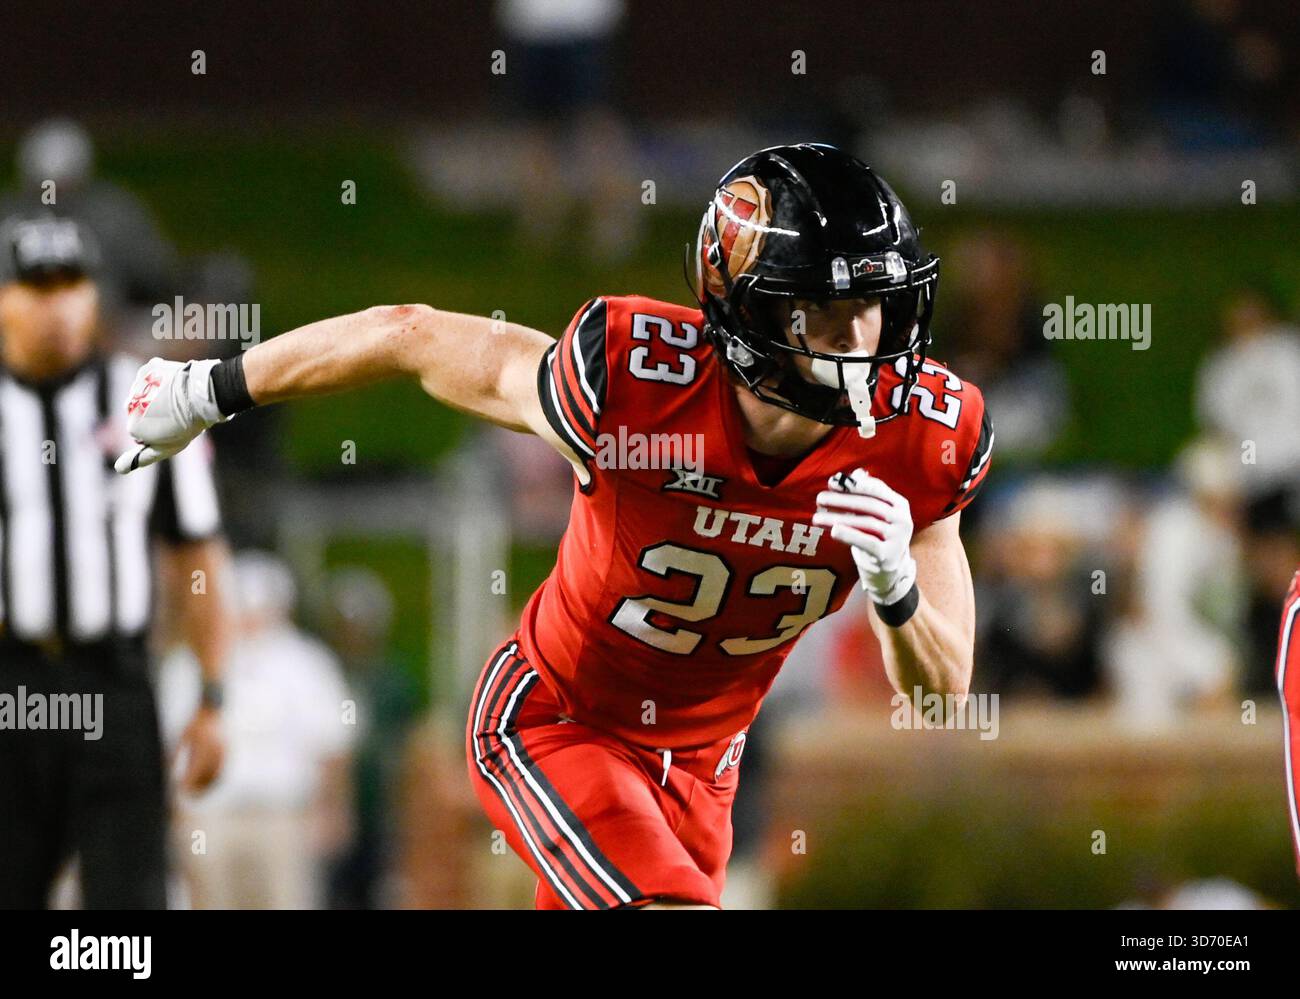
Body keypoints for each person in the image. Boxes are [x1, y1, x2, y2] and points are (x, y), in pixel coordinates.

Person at [114, 144, 993, 909]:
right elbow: (410, 335)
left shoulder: (922, 441)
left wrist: (898, 592)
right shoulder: (634, 380)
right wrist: (205, 390)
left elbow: (936, 695)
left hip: (702, 770)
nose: (866, 338)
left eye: (877, 305)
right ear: (750, 312)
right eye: (826, 312)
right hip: (558, 719)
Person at [0, 215, 229, 909]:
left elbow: (198, 550)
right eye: (36, 286)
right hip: (11, 683)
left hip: (115, 683)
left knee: (127, 908)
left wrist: (214, 696)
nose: (56, 304)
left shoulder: (146, 400)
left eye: (71, 284)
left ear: (94, 296)